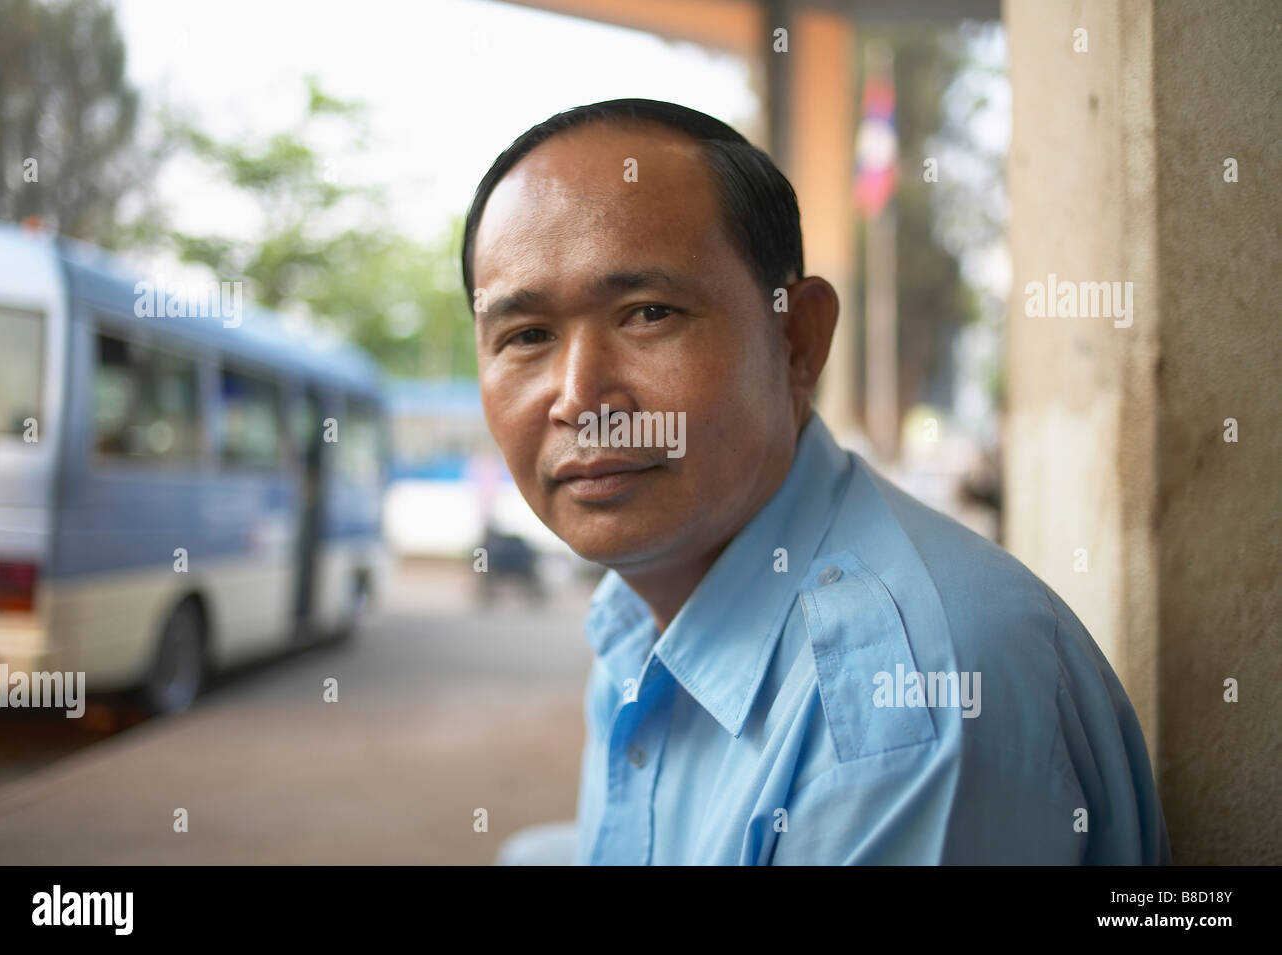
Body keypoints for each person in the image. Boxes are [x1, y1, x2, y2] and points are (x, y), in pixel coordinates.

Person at [462, 98, 1171, 865]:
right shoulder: (643, 613)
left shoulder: (905, 702)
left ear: (797, 340)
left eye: (648, 313)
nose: (579, 398)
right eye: (527, 335)